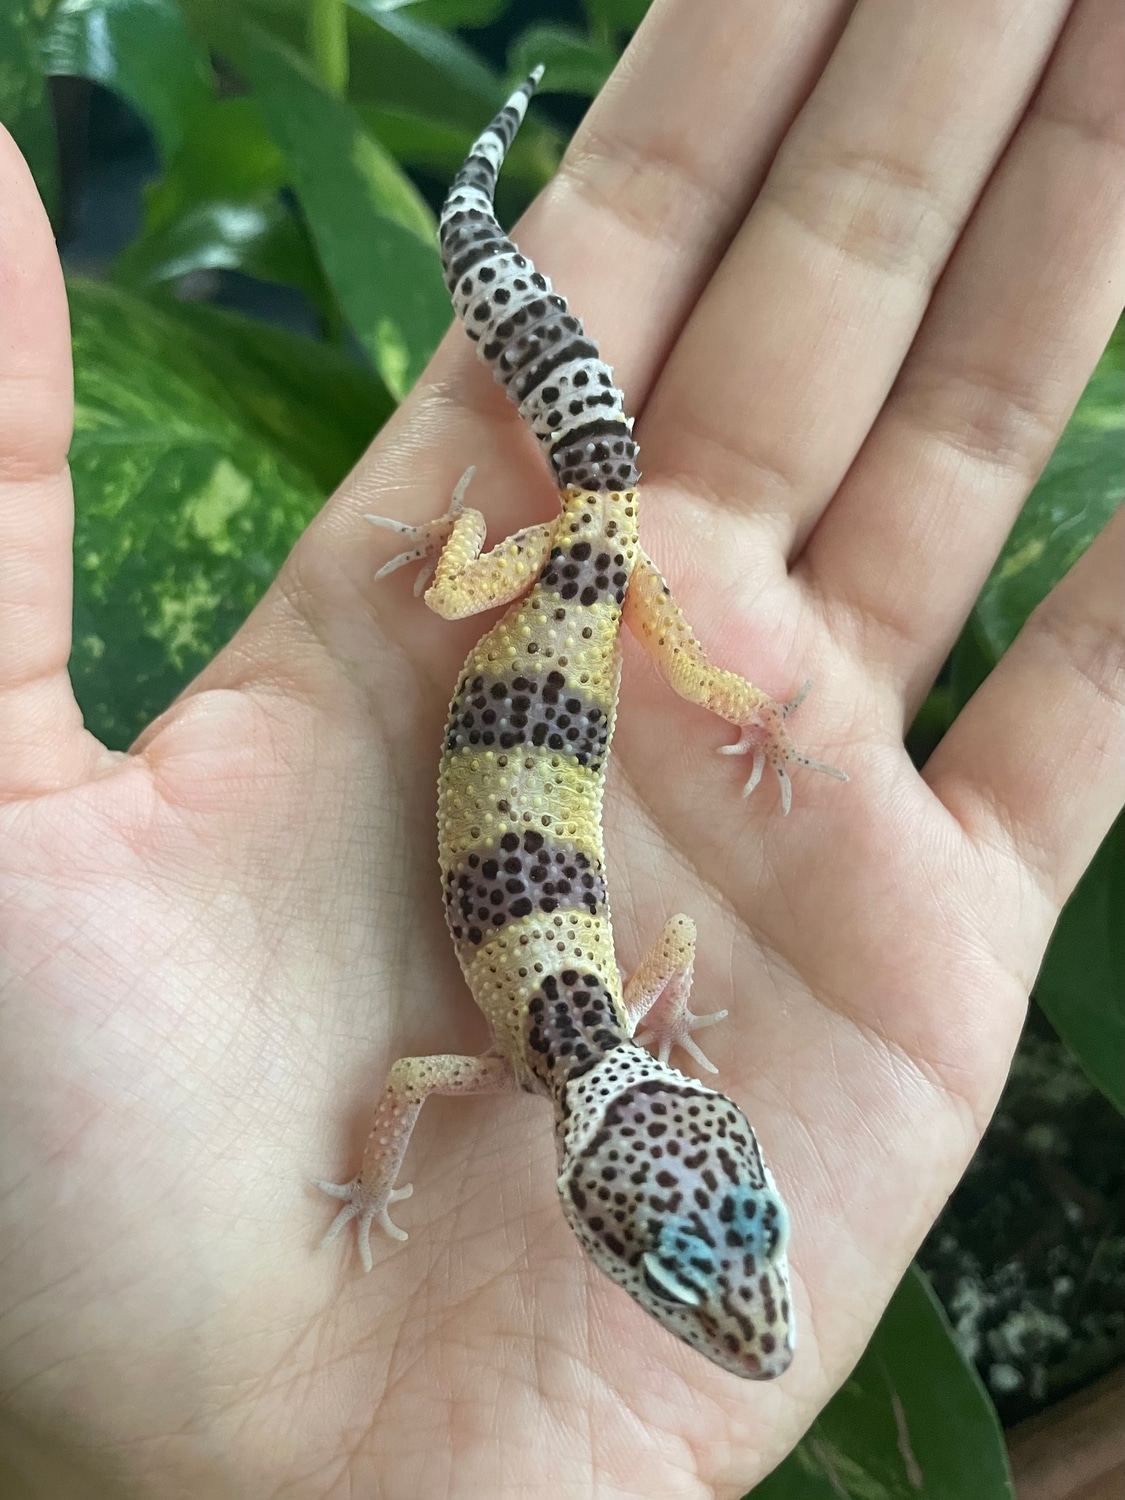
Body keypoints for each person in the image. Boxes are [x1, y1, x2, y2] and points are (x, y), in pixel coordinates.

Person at [0, 0, 1120, 1493]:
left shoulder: (577, 1031)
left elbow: (457, 1061)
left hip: (579, 594)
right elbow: (408, 1079)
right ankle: (473, 220)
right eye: (687, 1267)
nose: (728, 1314)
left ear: (614, 1188)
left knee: (524, 559)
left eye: (676, 1274)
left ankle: (479, 231)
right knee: (504, 555)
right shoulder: (533, 1052)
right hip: (567, 592)